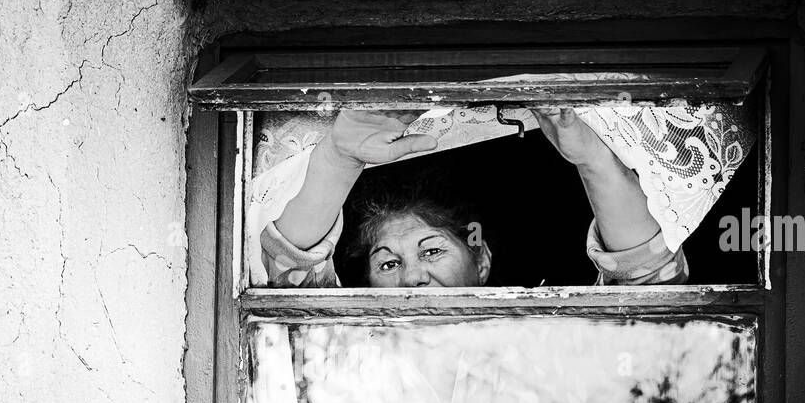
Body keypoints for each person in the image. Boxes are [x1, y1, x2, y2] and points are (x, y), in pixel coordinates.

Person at [258, 107, 689, 288]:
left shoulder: (539, 350)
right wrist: (337, 158)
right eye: (388, 262)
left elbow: (649, 283)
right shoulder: (344, 357)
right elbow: (290, 274)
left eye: (431, 251)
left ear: (480, 260)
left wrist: (595, 159)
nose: (412, 279)